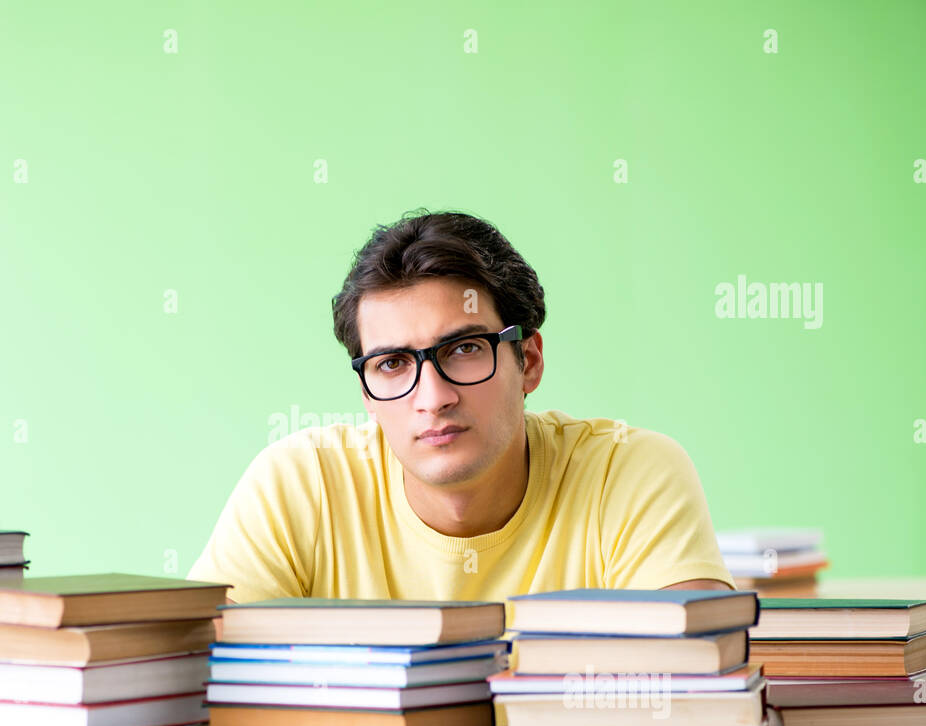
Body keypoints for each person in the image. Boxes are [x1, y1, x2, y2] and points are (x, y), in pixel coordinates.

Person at [188, 209, 734, 613]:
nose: (432, 397)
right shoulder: (298, 484)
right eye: (393, 364)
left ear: (530, 361)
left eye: (465, 350)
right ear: (366, 393)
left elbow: (693, 690)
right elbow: (201, 682)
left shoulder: (628, 471)